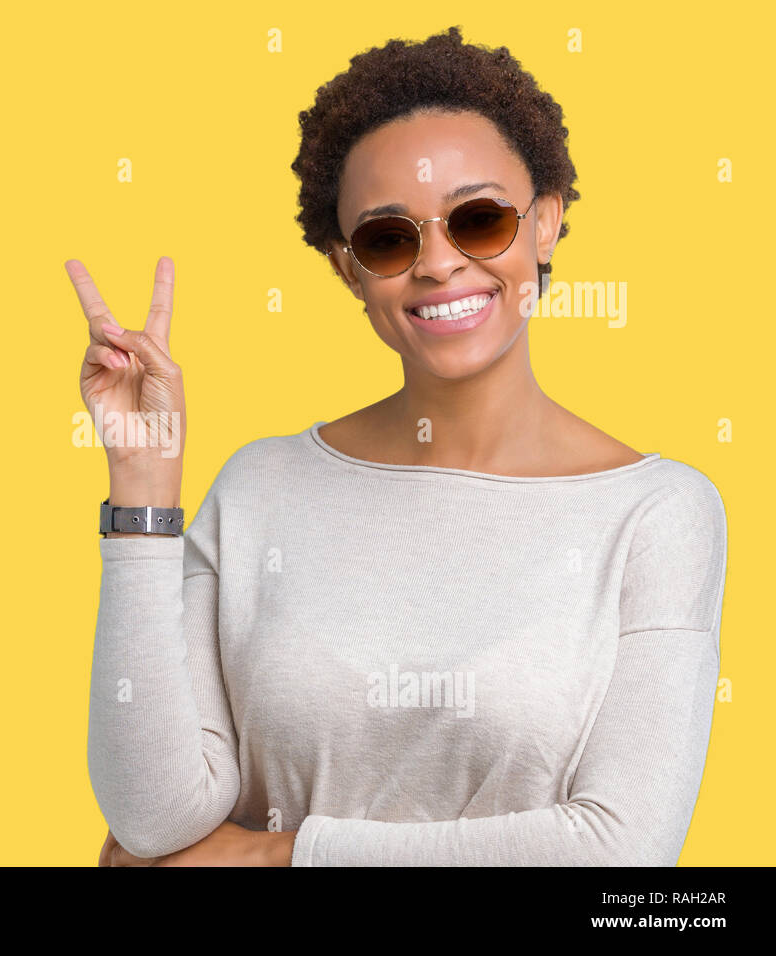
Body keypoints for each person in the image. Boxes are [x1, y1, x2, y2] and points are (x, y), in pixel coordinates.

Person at [66, 25, 728, 866]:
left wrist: (274, 856)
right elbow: (153, 823)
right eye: (389, 237)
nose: (439, 264)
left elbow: (618, 853)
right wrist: (143, 478)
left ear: (547, 224)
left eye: (479, 219)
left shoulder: (657, 514)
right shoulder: (260, 487)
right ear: (348, 268)